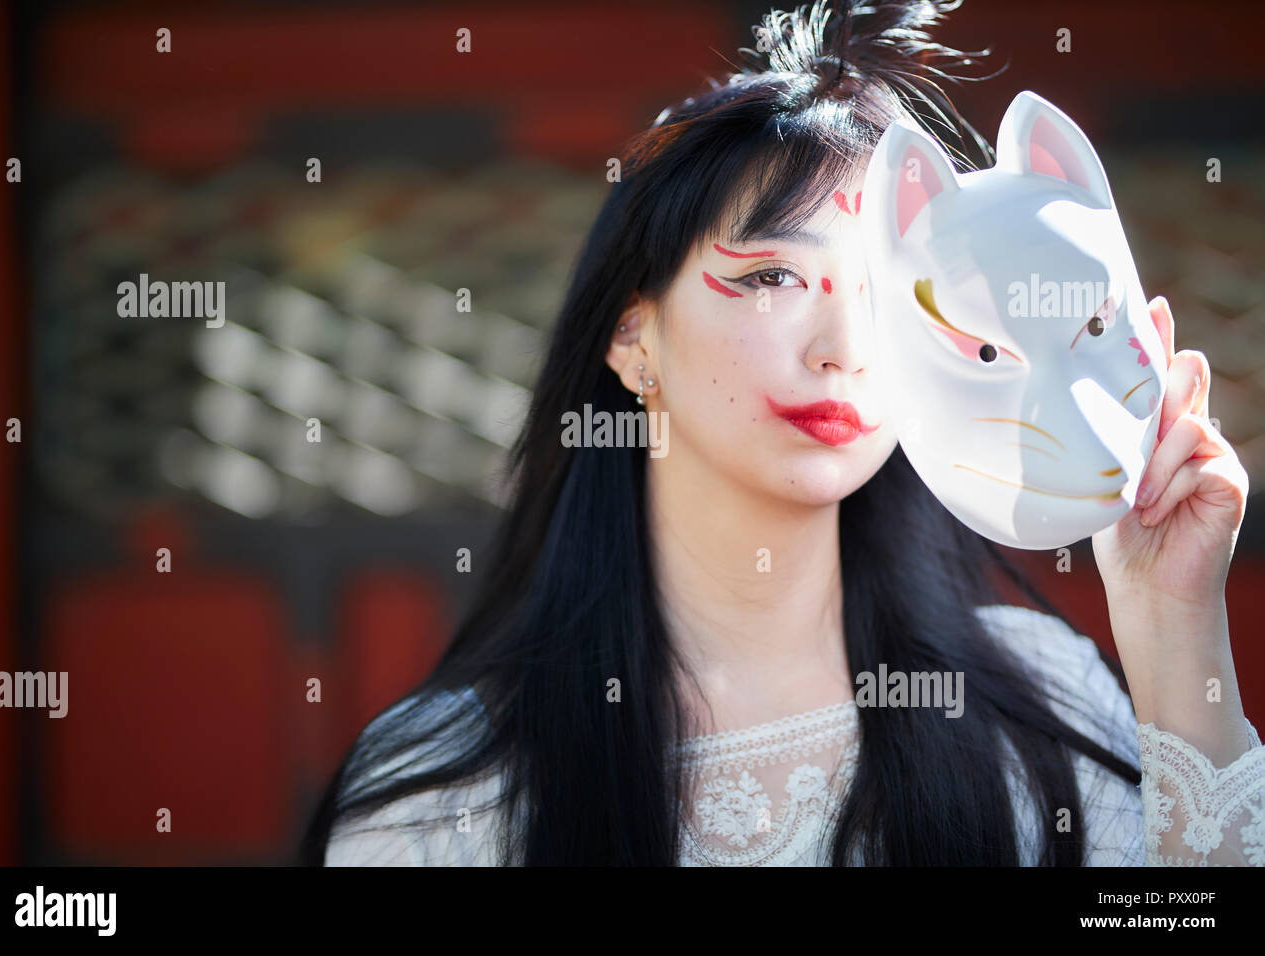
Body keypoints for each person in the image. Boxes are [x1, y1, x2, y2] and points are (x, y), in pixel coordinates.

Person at [302, 0, 1263, 866]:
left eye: (881, 297)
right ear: (633, 336)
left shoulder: (1044, 707)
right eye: (772, 278)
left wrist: (1173, 619)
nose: (843, 348)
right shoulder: (441, 799)